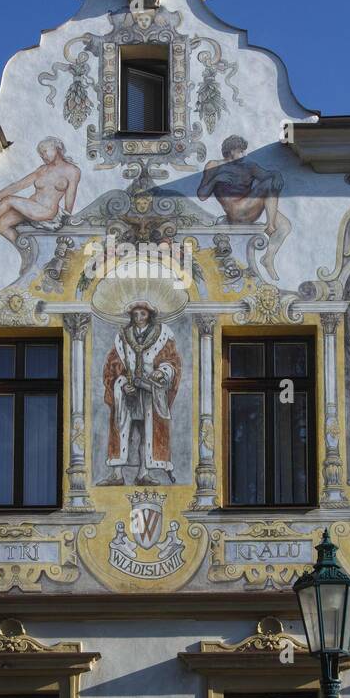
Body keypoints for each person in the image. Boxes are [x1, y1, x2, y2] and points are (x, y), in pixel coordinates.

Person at [101, 302, 181, 486]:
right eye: (135, 314)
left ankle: (143, 473)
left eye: (142, 314)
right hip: (127, 390)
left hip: (149, 389)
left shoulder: (162, 334)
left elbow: (172, 359)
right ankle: (117, 474)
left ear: (149, 315)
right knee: (122, 429)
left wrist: (163, 371)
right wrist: (120, 384)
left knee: (147, 433)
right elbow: (112, 365)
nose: (138, 318)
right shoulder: (122, 337)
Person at [196, 135, 291, 280]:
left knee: (285, 226)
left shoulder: (249, 166)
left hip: (251, 208)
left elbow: (269, 175)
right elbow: (202, 195)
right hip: (236, 211)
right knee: (268, 184)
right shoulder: (214, 165)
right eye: (241, 151)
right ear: (231, 150)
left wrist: (277, 174)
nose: (244, 154)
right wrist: (216, 179)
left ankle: (268, 258)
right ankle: (270, 226)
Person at [0, 137, 80, 247]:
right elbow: (19, 185)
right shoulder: (42, 170)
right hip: (30, 207)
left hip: (46, 211)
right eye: (41, 154)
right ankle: (27, 250)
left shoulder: (72, 171)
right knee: (1, 225)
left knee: (7, 200)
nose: (43, 156)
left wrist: (67, 220)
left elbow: (71, 196)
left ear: (57, 148)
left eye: (45, 152)